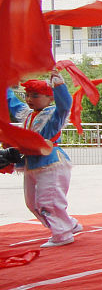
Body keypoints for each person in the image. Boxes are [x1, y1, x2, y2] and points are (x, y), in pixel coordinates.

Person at [5, 72, 82, 247]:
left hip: (51, 163)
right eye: (28, 95)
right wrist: (5, 83)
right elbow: (12, 103)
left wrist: (59, 85)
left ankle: (62, 234)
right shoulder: (27, 114)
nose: (29, 99)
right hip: (31, 163)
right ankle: (69, 224)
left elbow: (65, 105)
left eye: (35, 95)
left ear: (50, 98)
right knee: (32, 203)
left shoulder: (54, 114)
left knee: (48, 201)